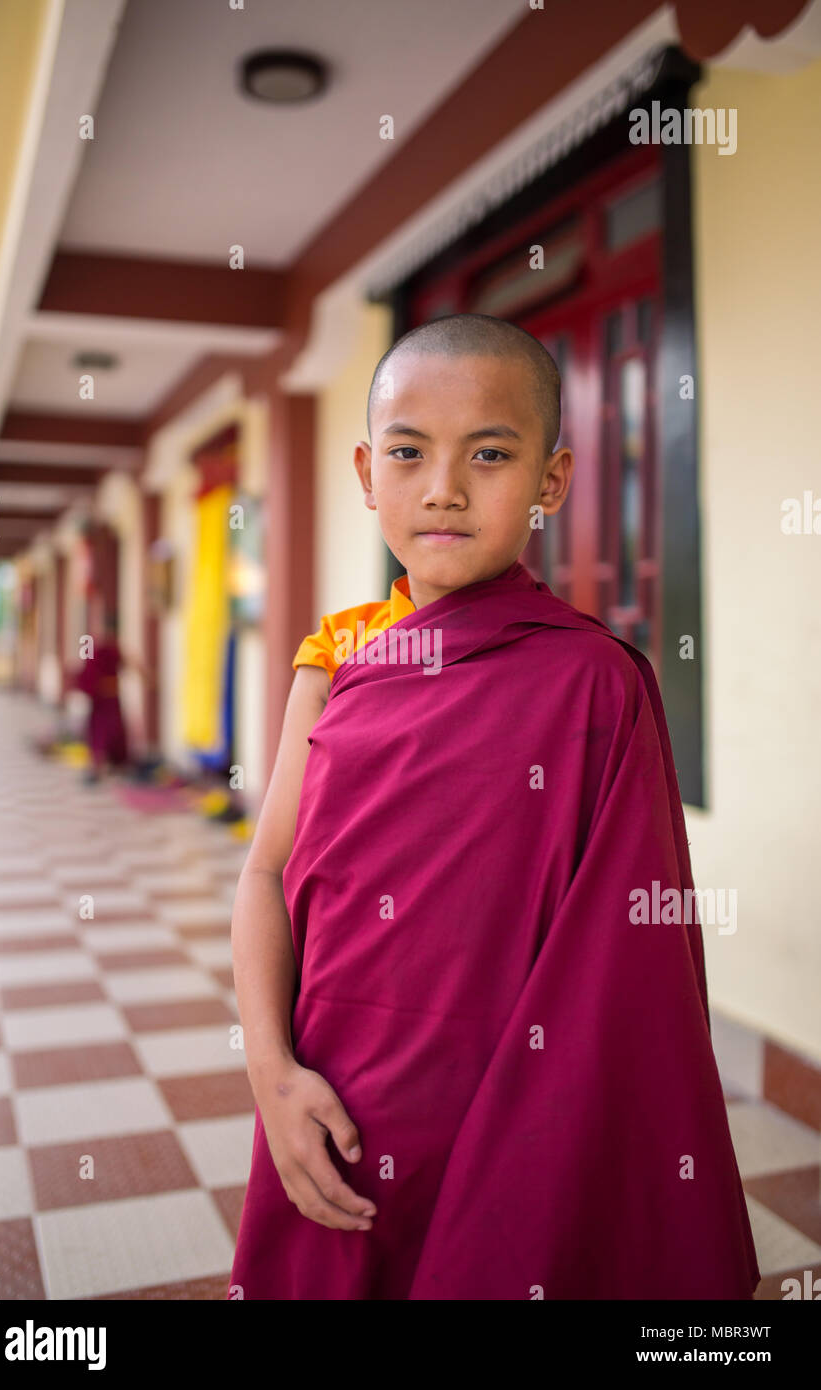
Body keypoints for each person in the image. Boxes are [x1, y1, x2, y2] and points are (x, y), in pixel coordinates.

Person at [227, 313, 760, 1300]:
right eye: (407, 451)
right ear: (364, 470)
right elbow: (266, 872)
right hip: (339, 1096)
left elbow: (621, 965)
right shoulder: (334, 664)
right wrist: (269, 1067)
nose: (442, 487)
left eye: (488, 453)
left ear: (550, 481)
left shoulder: (593, 681)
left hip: (518, 1101)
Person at [72, 618, 144, 783]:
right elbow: (86, 669)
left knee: (113, 732)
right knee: (100, 733)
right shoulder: (93, 646)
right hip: (100, 700)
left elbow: (130, 664)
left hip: (111, 699)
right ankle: (97, 765)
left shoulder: (113, 649)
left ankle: (112, 764)